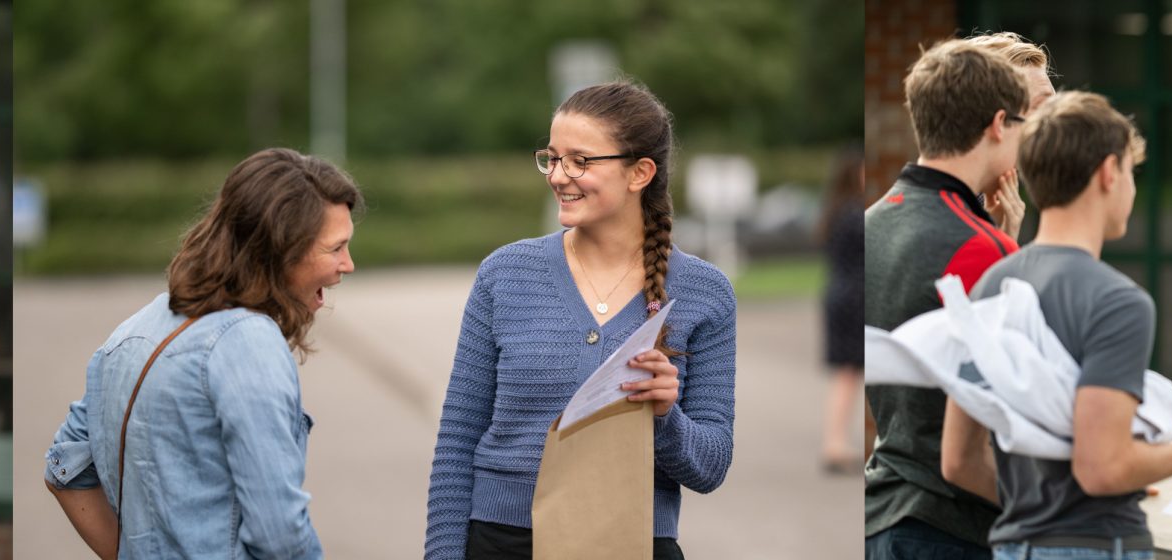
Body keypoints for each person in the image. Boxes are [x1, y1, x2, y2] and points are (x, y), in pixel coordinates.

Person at [424, 80, 738, 560]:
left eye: (580, 161)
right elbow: (458, 438)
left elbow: (710, 467)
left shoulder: (706, 292)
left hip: (633, 541)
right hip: (500, 543)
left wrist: (664, 416)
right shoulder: (505, 274)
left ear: (640, 173)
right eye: (551, 158)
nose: (557, 175)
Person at [941, 91, 1172, 560]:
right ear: (1110, 172)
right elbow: (1102, 469)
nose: (1132, 189)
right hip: (1097, 546)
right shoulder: (1119, 301)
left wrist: (1041, 513)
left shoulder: (991, 285)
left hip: (1014, 547)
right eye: (1131, 173)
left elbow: (958, 460)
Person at [45, 148, 350, 559]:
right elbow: (279, 537)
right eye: (335, 248)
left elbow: (64, 469)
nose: (348, 264)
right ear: (281, 247)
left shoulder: (139, 326)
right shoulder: (248, 342)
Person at [863, 33, 1052, 559]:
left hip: (884, 507)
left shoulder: (872, 220)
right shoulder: (981, 247)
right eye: (1029, 117)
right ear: (998, 124)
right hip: (949, 524)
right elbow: (1006, 409)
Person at [820, 145, 867, 473]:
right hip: (854, 299)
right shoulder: (854, 215)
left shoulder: (835, 212)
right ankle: (836, 443)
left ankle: (837, 441)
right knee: (851, 373)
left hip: (838, 295)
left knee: (848, 374)